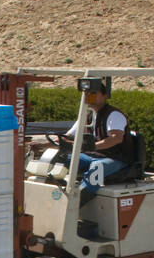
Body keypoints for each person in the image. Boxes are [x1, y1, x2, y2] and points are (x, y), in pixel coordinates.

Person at [32, 79, 134, 207]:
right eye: (87, 94)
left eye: (94, 93)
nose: (89, 96)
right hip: (92, 155)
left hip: (115, 158)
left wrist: (93, 146)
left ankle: (73, 206)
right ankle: (53, 197)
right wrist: (42, 146)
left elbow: (116, 138)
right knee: (61, 157)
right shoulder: (87, 115)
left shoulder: (113, 115)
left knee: (96, 168)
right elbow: (66, 138)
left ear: (105, 95)